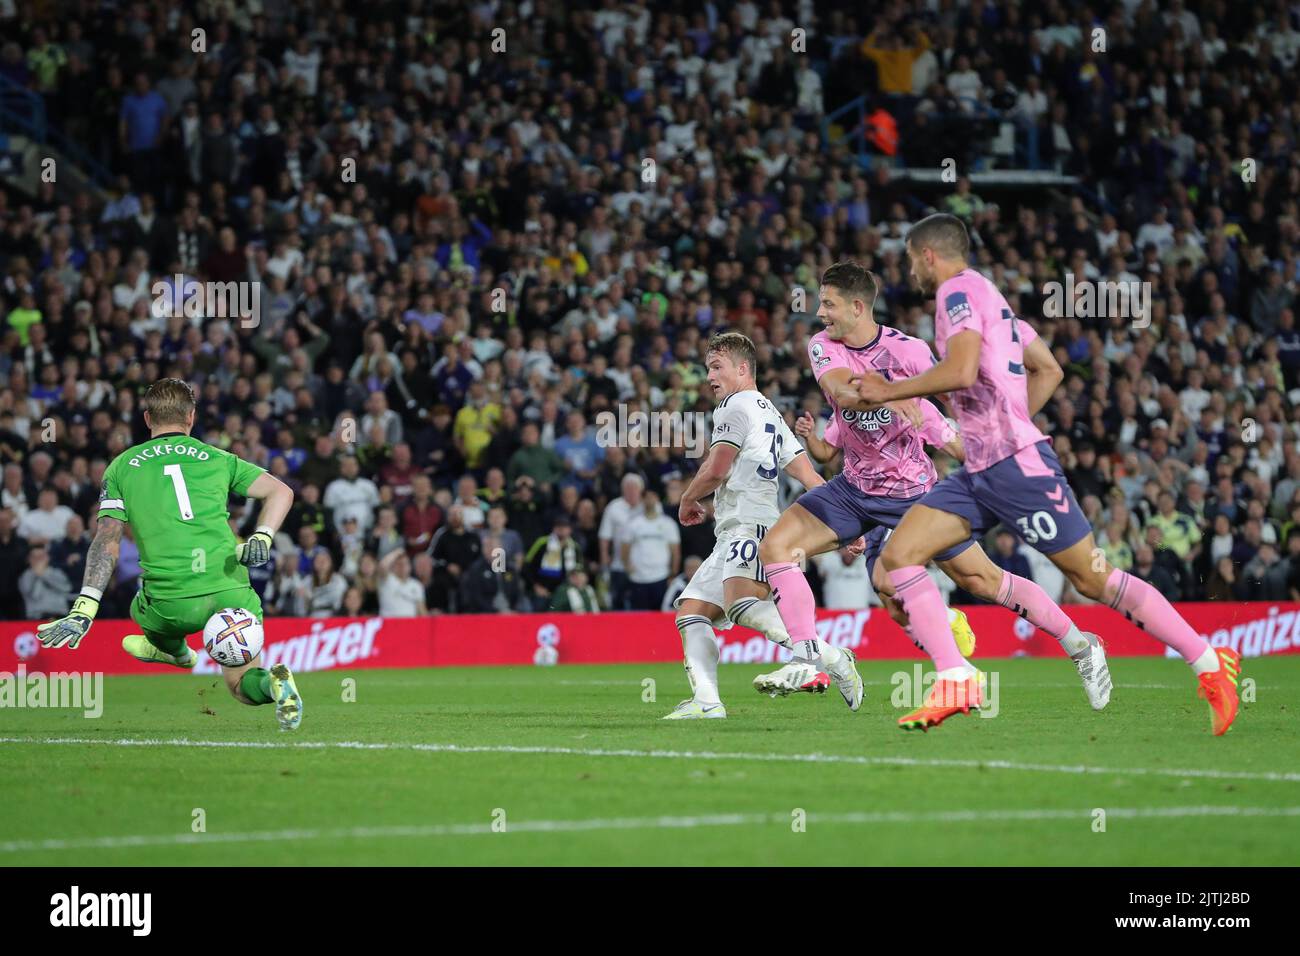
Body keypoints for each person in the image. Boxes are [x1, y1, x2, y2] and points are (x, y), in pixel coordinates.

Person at [857, 214, 1240, 734]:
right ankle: (956, 678)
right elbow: (1049, 367)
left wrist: (891, 390)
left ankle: (1210, 664)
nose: (909, 270)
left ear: (928, 254)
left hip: (1016, 468)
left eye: (909, 258)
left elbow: (963, 370)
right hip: (979, 469)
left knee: (1092, 578)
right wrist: (1003, 425)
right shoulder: (999, 304)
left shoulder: (956, 293)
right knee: (900, 557)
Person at [759, 260, 1109, 711]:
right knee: (778, 547)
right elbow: (842, 393)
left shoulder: (911, 353)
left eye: (829, 303)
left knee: (983, 581)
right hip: (854, 491)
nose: (820, 311)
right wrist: (889, 394)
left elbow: (952, 412)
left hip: (914, 497)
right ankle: (809, 659)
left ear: (858, 306)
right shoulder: (823, 344)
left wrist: (991, 443)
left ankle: (1082, 646)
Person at [34, 378, 303, 730]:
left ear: (147, 419)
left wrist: (84, 608)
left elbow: (107, 542)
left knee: (138, 608)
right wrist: (263, 537)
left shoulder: (122, 467)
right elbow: (281, 492)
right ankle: (274, 682)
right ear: (190, 417)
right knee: (240, 684)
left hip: (170, 601)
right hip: (230, 589)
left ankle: (174, 652)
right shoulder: (218, 458)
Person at [666, 331, 857, 719]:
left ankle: (830, 656)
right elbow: (809, 477)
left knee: (740, 605)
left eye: (716, 367)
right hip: (737, 530)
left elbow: (717, 467)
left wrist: (687, 498)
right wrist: (845, 523)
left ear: (742, 368)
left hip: (751, 525)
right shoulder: (769, 411)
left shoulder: (734, 407)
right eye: (707, 369)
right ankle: (706, 703)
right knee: (691, 611)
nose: (709, 377)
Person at [621, 489, 680, 610]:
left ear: (657, 499)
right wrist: (627, 566)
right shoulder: (634, 524)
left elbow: (675, 551)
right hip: (638, 577)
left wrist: (673, 573)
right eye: (647, 498)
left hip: (661, 576)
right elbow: (624, 547)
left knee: (660, 616)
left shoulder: (668, 524)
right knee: (639, 618)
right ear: (642, 500)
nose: (650, 501)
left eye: (652, 497)